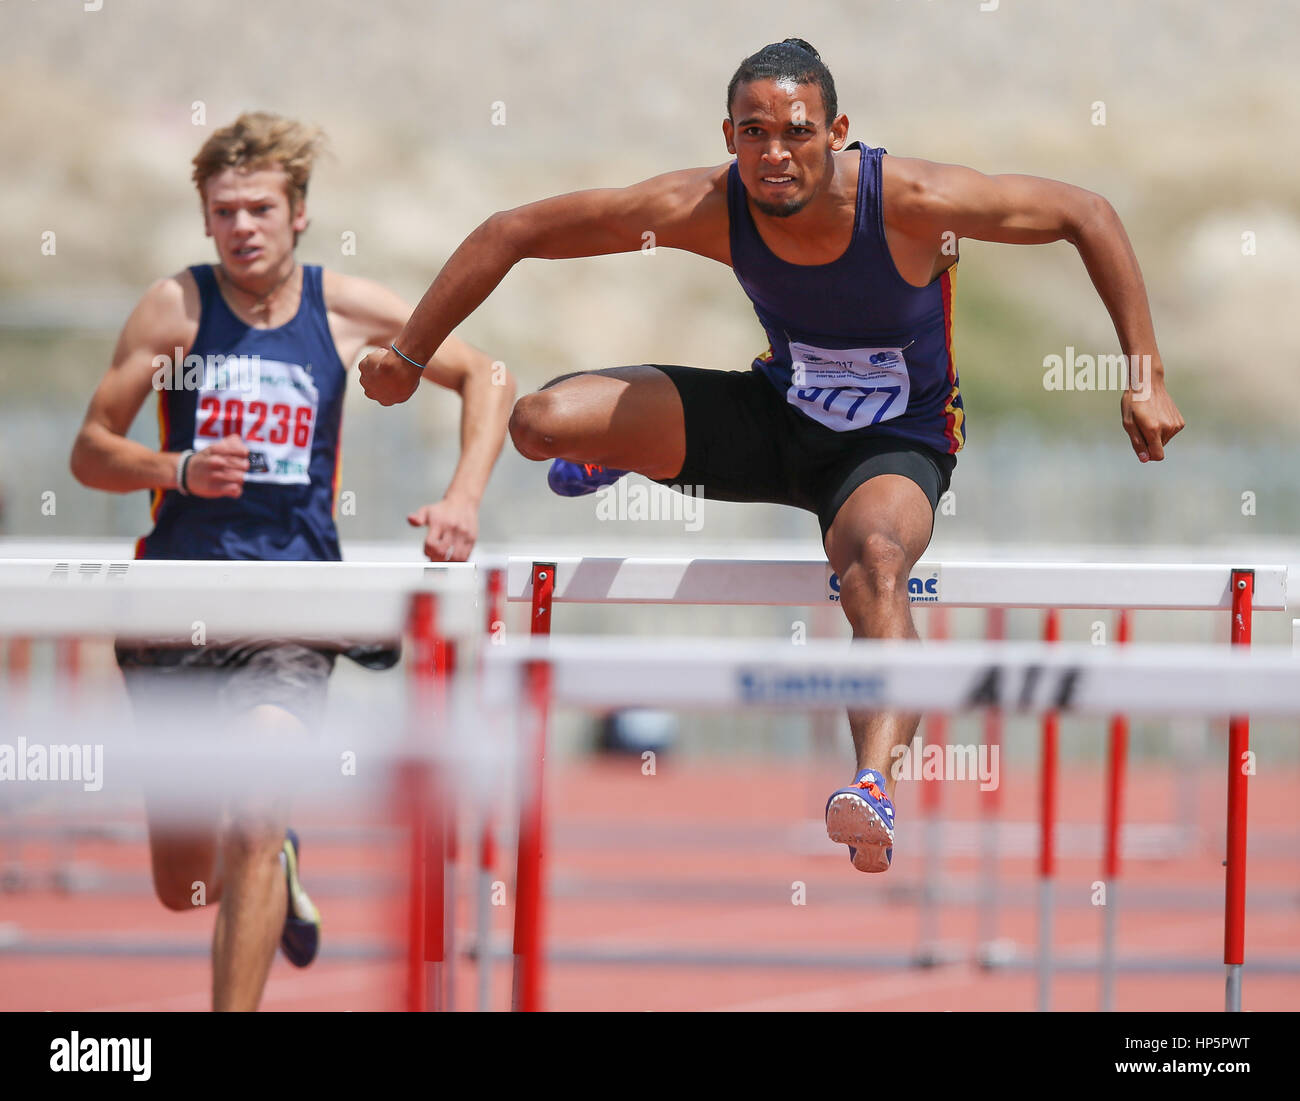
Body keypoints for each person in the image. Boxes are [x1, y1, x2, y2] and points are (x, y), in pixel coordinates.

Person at [359, 40, 1184, 874]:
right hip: (775, 415)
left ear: (839, 132)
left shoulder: (913, 200)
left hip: (892, 444)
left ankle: (871, 783)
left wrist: (1142, 376)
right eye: (754, 133)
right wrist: (408, 356)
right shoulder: (705, 205)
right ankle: (625, 454)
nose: (775, 155)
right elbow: (515, 231)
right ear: (728, 135)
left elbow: (1089, 214)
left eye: (797, 132)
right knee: (539, 423)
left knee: (874, 558)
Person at [69, 111, 514, 1009]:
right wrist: (177, 468)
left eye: (261, 208)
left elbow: (487, 375)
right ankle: (275, 862)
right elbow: (89, 450)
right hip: (173, 607)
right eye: (225, 210)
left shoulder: (341, 309)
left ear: (299, 212)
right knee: (183, 882)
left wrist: (463, 498)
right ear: (204, 217)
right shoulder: (174, 309)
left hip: (291, 604)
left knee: (256, 810)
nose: (243, 227)